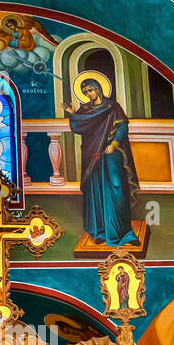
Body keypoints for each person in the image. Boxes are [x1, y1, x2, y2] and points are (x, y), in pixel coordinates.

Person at [64, 76, 139, 247]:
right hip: (93, 154)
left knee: (116, 187)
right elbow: (80, 126)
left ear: (98, 88)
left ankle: (124, 232)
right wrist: (73, 114)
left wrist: (114, 144)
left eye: (90, 90)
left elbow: (122, 126)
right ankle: (99, 231)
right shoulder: (85, 109)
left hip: (111, 153)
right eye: (85, 92)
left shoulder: (112, 106)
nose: (88, 94)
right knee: (95, 189)